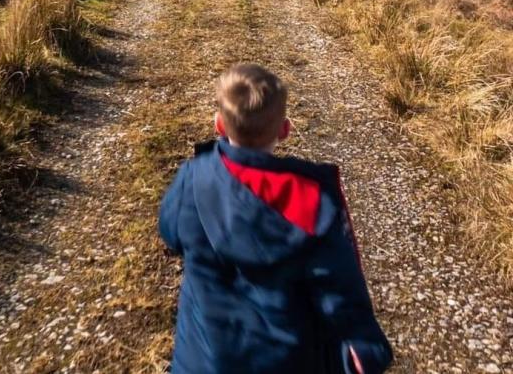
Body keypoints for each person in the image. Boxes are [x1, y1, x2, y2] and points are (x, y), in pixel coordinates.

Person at [158, 63, 393, 374]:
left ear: (219, 125)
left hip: (204, 360)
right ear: (285, 130)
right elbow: (339, 291)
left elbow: (171, 232)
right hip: (285, 360)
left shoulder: (193, 179)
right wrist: (365, 346)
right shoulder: (311, 202)